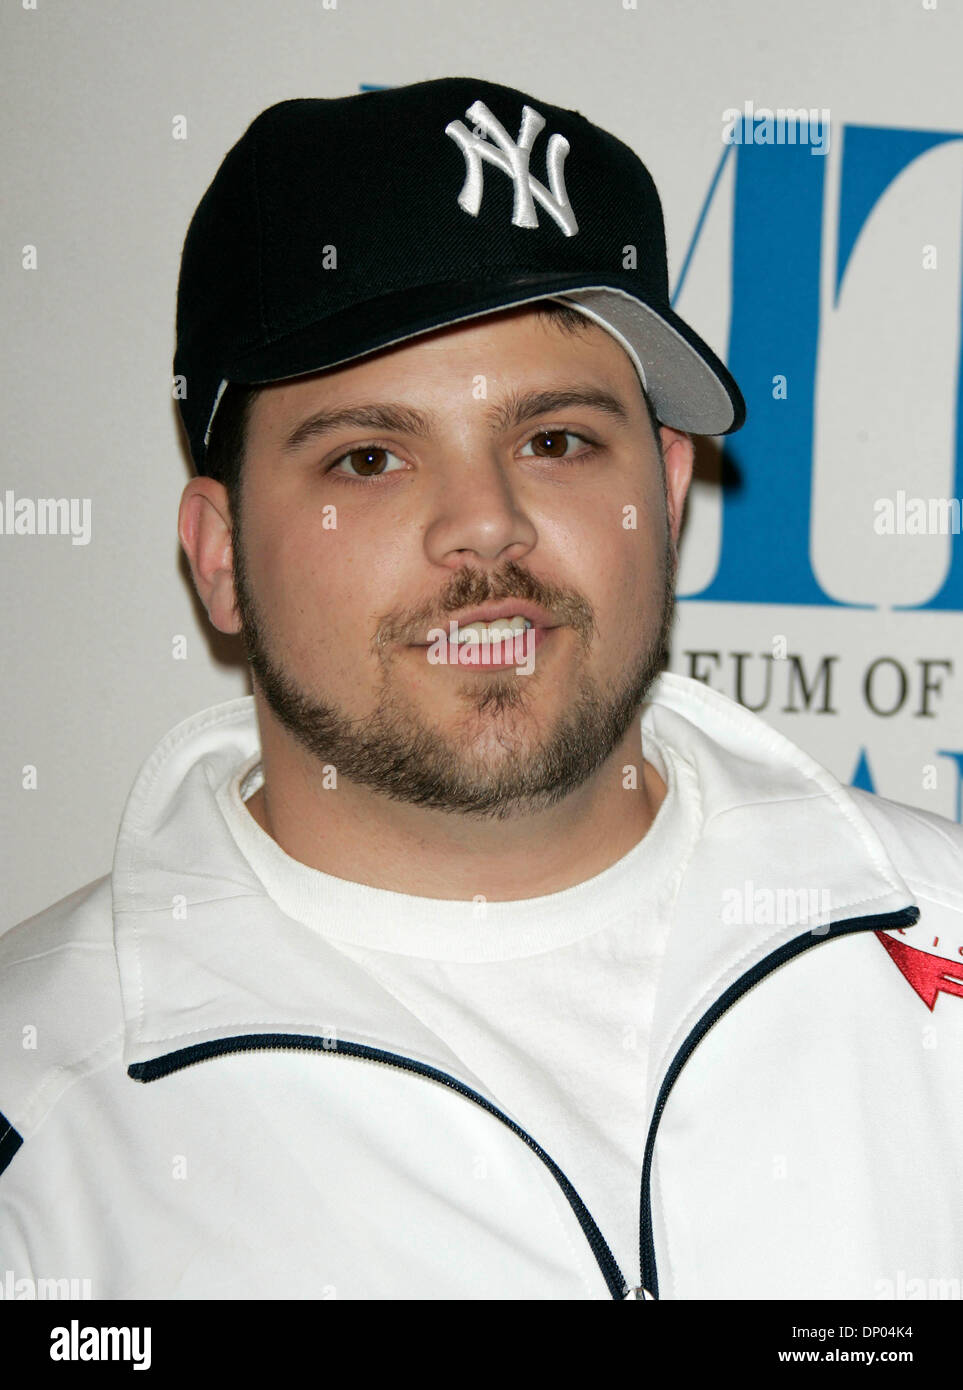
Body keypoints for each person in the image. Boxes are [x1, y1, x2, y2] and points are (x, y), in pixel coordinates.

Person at [2, 76, 961, 1303]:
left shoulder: (942, 946)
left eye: (554, 440)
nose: (485, 526)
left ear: (665, 494)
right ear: (220, 554)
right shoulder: (37, 1119)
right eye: (371, 456)